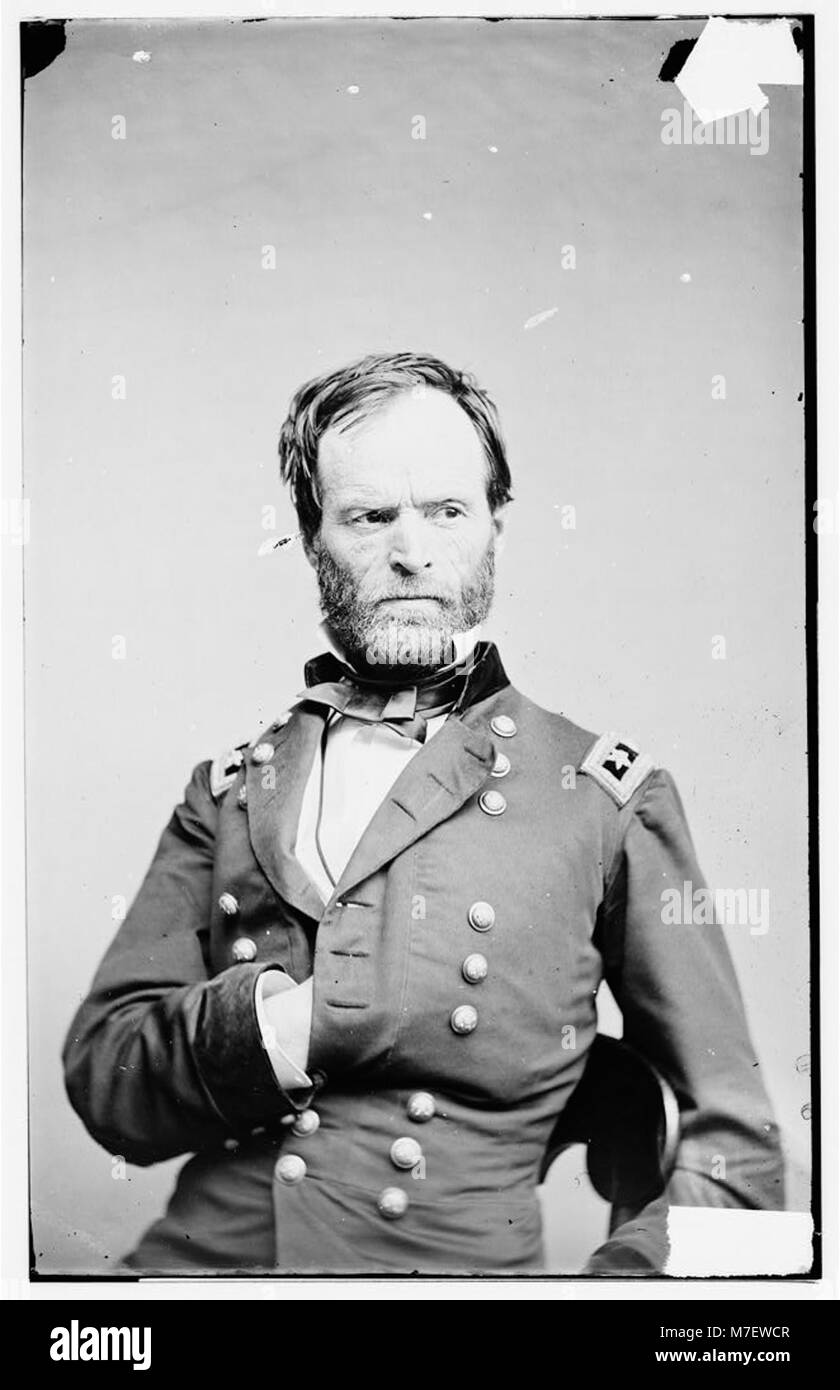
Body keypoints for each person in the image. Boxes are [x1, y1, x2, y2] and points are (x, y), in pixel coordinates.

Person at [63, 351, 784, 1275]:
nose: (413, 551)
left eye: (448, 510)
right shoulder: (233, 787)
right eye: (369, 516)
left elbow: (739, 1154)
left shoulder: (606, 798)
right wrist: (286, 1027)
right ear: (311, 535)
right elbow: (105, 1079)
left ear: (496, 528)